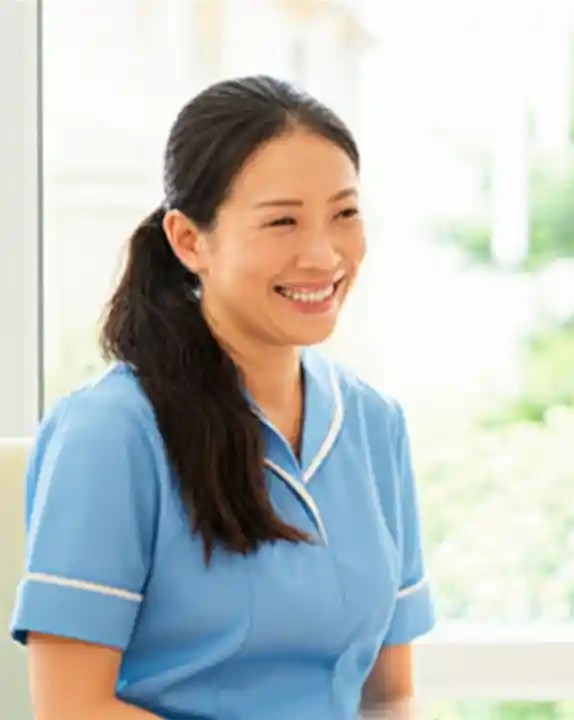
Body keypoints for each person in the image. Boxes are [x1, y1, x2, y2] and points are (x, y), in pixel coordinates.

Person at [8, 75, 435, 719]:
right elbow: (73, 710)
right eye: (282, 222)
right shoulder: (111, 432)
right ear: (188, 240)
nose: (322, 254)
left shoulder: (375, 425)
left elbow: (389, 695)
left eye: (344, 214)